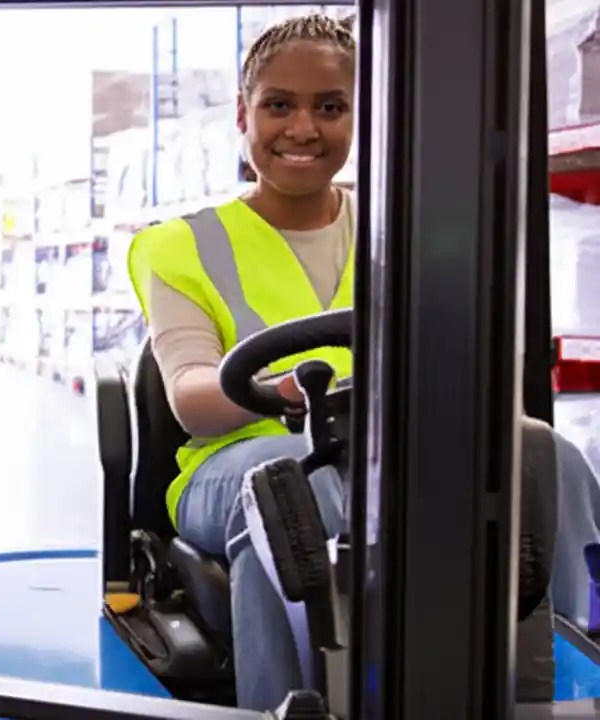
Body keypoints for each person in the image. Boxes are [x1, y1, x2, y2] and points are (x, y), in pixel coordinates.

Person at [126, 13, 600, 711]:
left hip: (390, 450)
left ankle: (570, 675)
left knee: (543, 455)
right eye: (278, 104)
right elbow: (191, 393)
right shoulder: (178, 245)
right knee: (294, 490)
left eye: (330, 107)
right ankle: (290, 701)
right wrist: (276, 390)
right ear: (243, 112)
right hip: (237, 459)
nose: (303, 129)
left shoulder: (405, 224)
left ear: (360, 118)